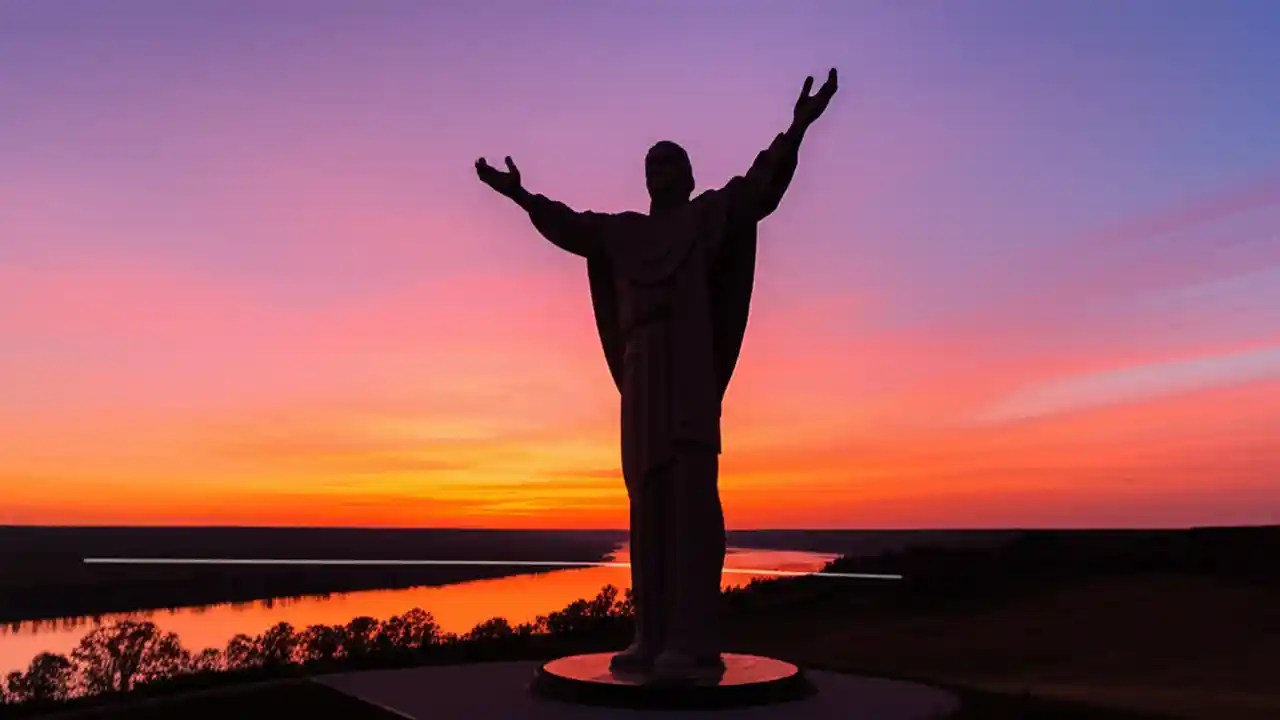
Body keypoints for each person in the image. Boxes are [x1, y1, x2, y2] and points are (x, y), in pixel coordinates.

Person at [476, 69, 838, 680]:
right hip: (641, 369)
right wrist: (521, 196)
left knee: (691, 498)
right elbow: (568, 225)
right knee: (646, 500)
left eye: (670, 163)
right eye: (652, 164)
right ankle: (648, 634)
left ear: (689, 176)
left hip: (690, 363)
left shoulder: (707, 216)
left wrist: (798, 126)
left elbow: (759, 188)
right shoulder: (623, 233)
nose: (660, 171)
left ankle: (691, 638)